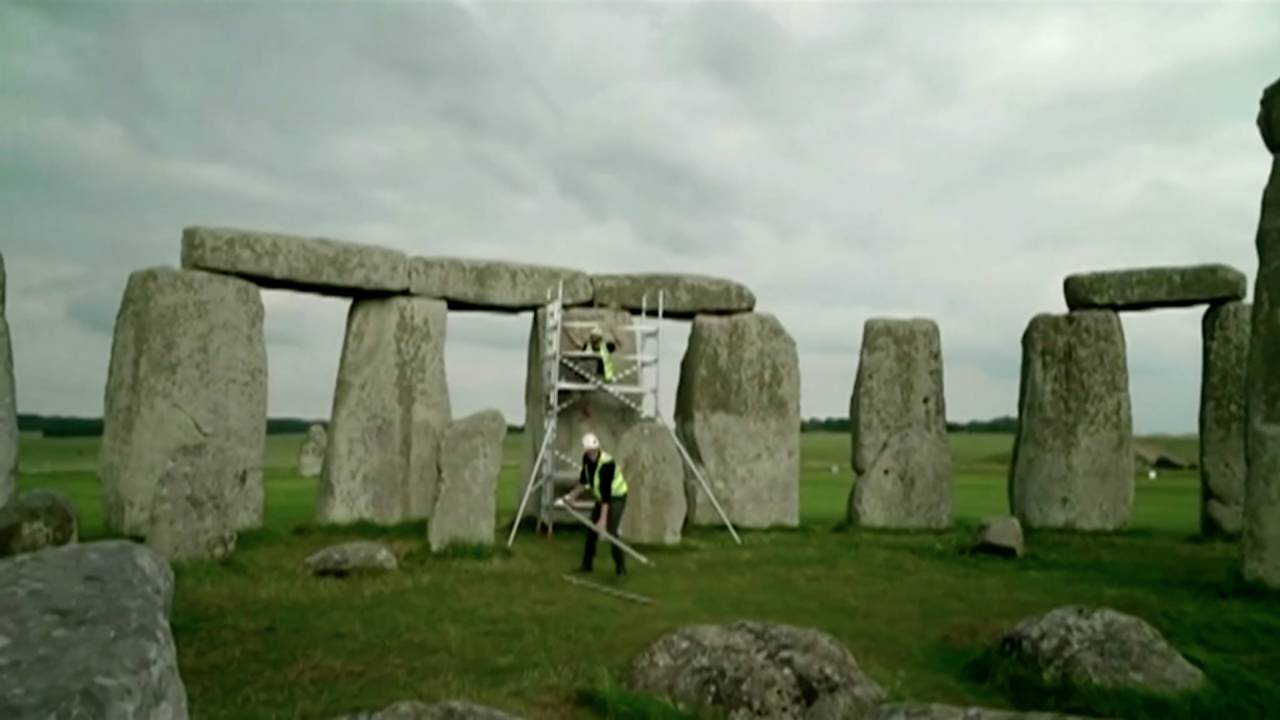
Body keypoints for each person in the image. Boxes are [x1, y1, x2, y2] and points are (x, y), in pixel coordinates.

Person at [561, 432, 629, 577]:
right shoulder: (586, 459)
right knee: (592, 529)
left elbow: (606, 495)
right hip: (602, 497)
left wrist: (603, 521)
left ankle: (620, 567)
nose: (592, 453)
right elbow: (584, 481)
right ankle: (587, 565)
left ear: (598, 448)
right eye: (589, 451)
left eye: (594, 450)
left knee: (611, 531)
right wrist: (571, 496)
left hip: (616, 497)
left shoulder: (607, 464)